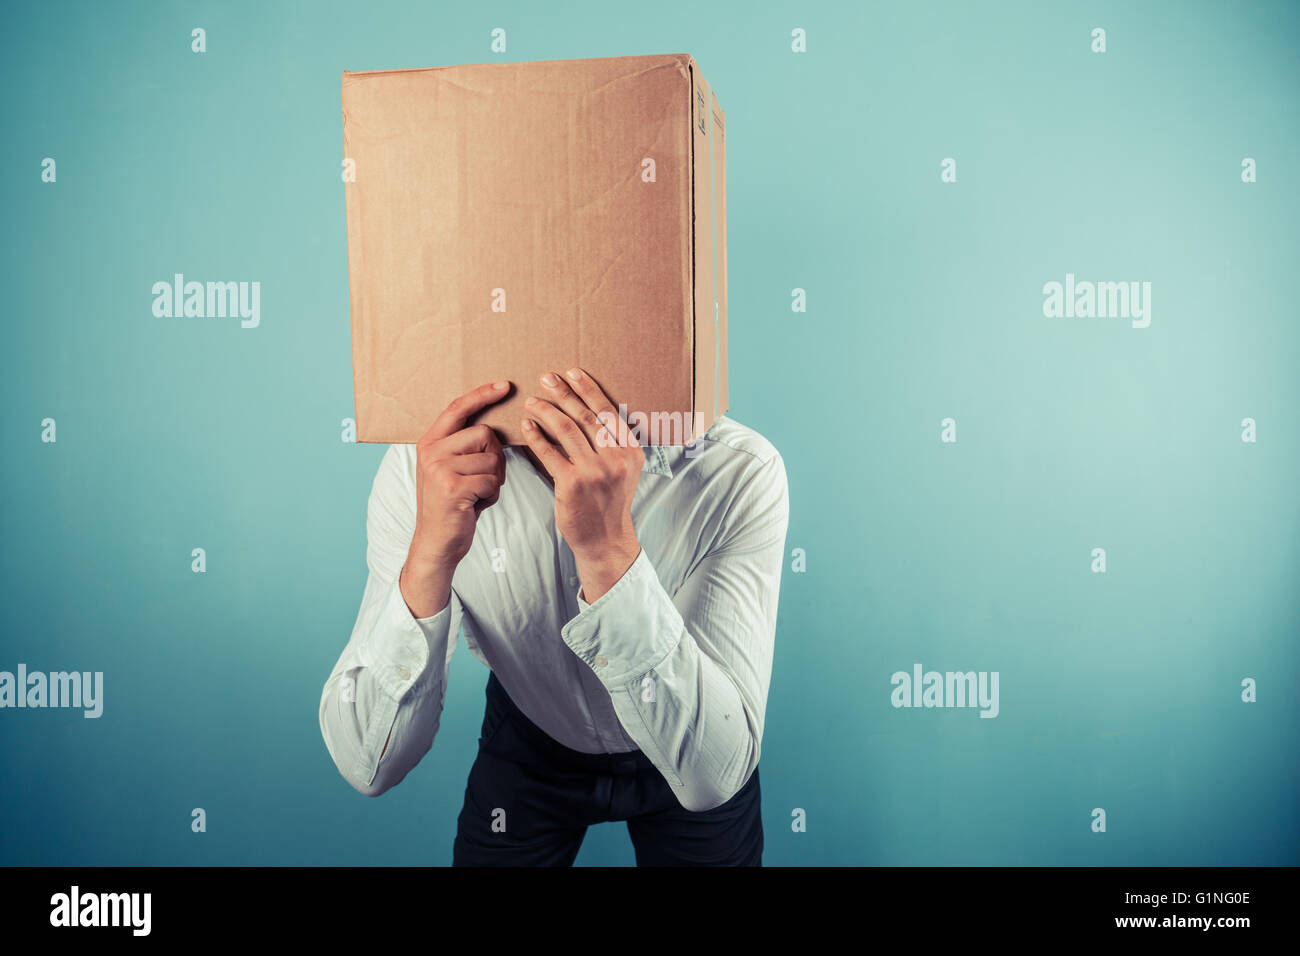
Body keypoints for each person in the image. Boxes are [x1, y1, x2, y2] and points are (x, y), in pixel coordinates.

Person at [319, 367, 789, 865]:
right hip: (531, 733)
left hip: (691, 723)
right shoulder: (428, 468)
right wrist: (431, 554)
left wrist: (609, 553)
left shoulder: (738, 470)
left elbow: (711, 778)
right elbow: (367, 766)